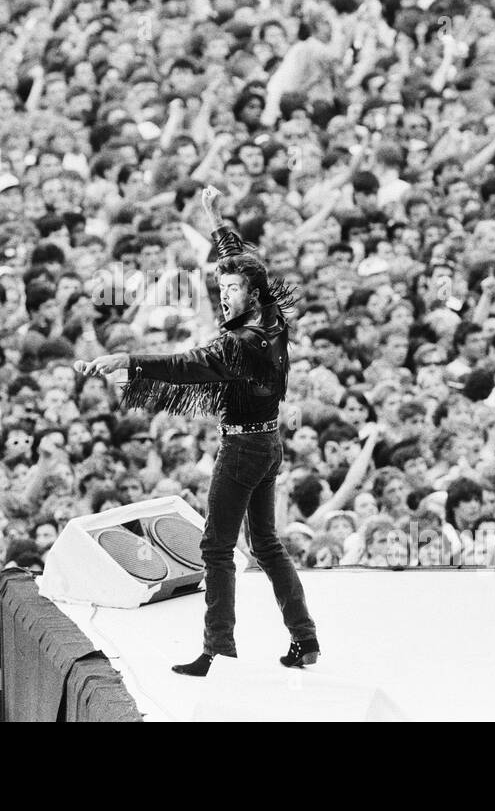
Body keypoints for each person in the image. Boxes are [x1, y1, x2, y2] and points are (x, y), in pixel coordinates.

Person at [81, 186, 318, 676]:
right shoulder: (271, 317)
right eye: (222, 287)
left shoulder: (240, 343)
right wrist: (215, 219)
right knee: (267, 543)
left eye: (231, 289)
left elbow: (186, 364)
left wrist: (126, 359)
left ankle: (219, 650)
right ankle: (304, 637)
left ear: (251, 295)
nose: (223, 293)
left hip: (243, 447)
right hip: (268, 441)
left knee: (216, 547)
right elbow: (241, 259)